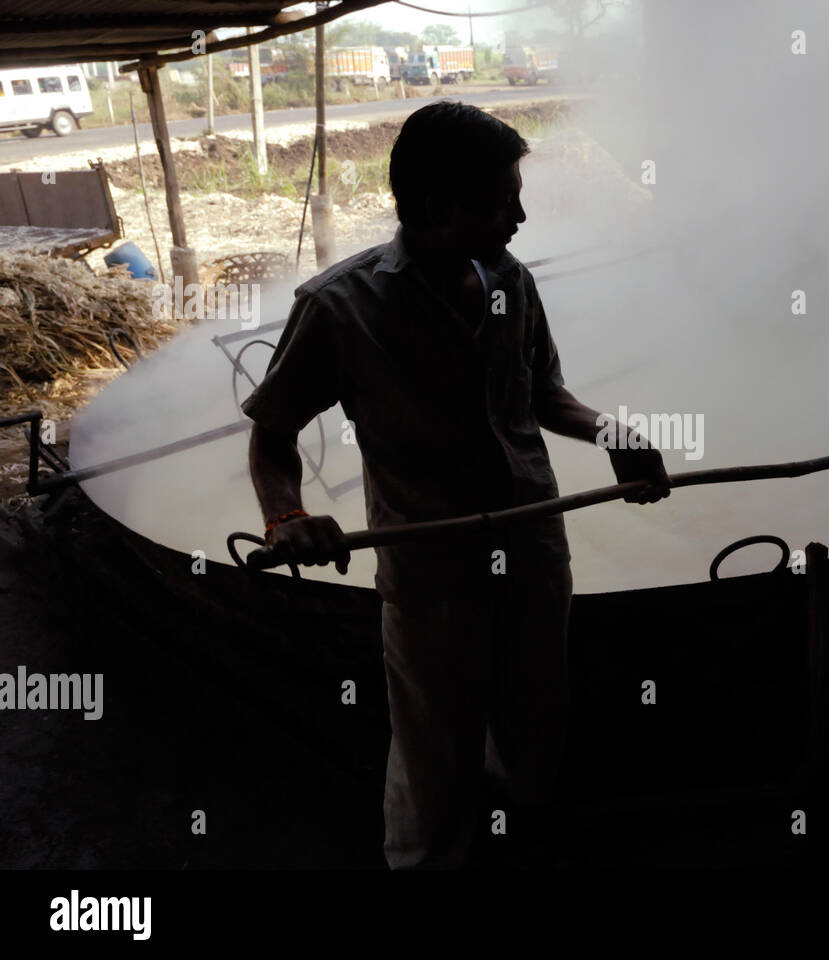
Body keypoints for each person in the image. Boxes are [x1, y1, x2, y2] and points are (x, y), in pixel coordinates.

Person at [241, 101, 670, 869]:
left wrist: (617, 434)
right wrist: (288, 516)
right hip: (434, 570)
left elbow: (544, 394)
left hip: (535, 550)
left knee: (536, 724)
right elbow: (273, 432)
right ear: (442, 207)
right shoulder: (340, 307)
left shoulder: (511, 282)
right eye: (504, 200)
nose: (522, 216)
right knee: (435, 748)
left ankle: (516, 842)